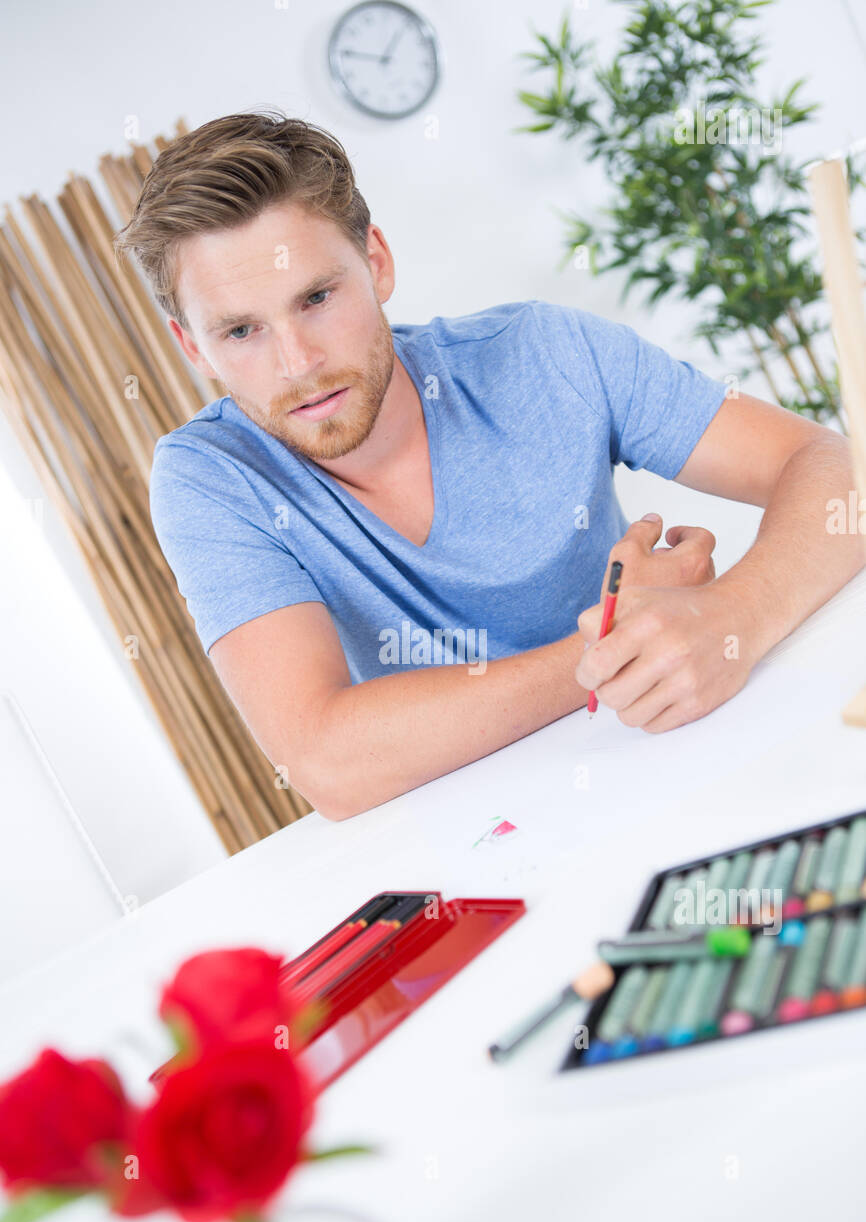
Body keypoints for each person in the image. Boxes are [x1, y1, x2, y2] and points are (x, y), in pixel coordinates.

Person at [115, 109, 865, 821]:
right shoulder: (210, 478)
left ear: (375, 262)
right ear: (193, 349)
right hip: (479, 846)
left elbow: (838, 468)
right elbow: (327, 762)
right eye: (241, 330)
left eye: (316, 297)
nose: (297, 363)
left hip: (671, 759)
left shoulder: (545, 352)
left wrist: (727, 619)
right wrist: (608, 645)